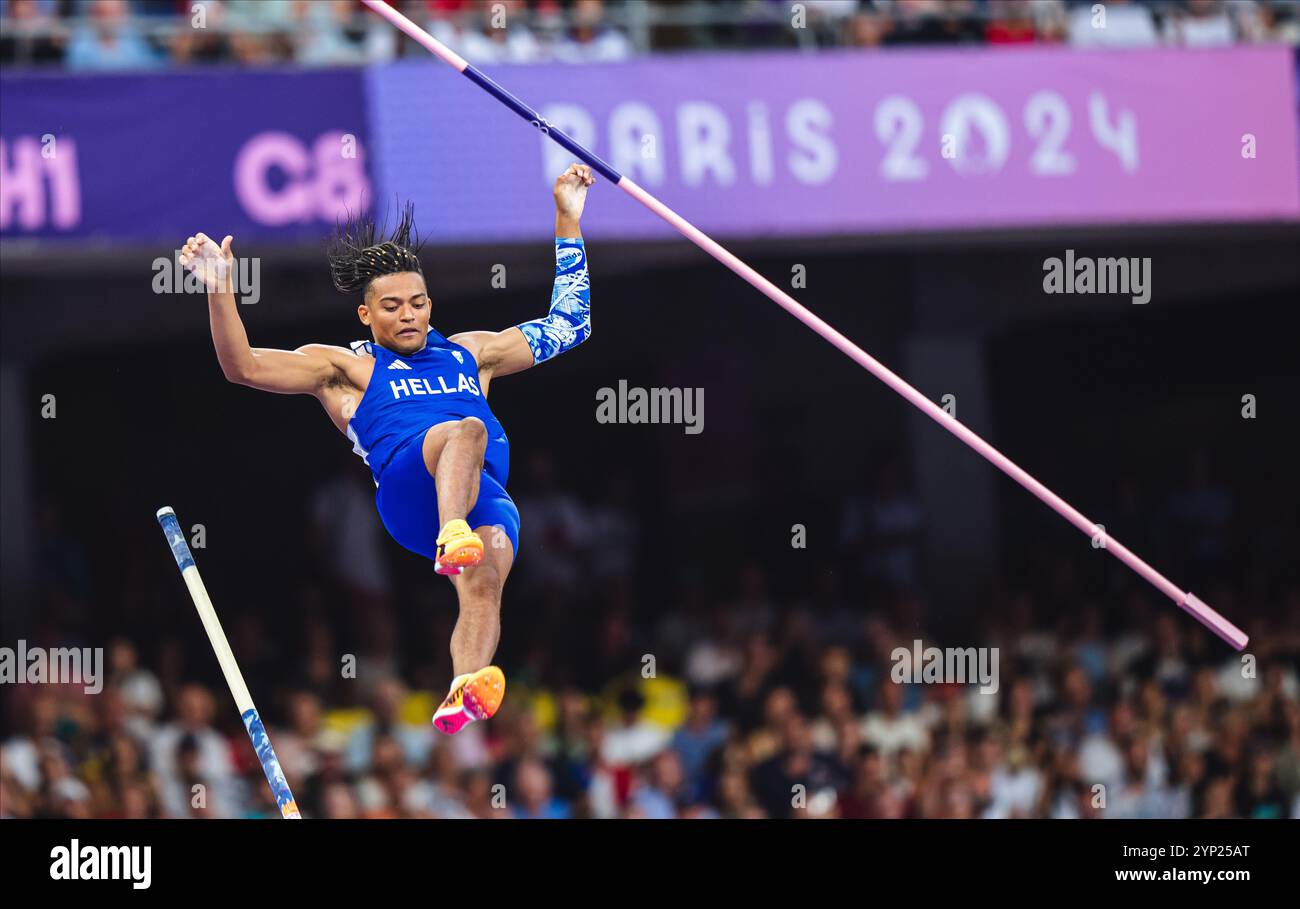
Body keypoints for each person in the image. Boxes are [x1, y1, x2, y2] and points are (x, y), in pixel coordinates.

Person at [179, 163, 596, 734]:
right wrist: (219, 288)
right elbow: (243, 366)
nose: (409, 315)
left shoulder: (470, 353)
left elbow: (571, 324)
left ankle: (462, 686)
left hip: (481, 494)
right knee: (465, 429)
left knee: (486, 583)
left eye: (419, 303)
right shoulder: (346, 367)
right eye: (394, 306)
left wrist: (566, 218)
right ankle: (452, 535)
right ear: (366, 313)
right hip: (410, 490)